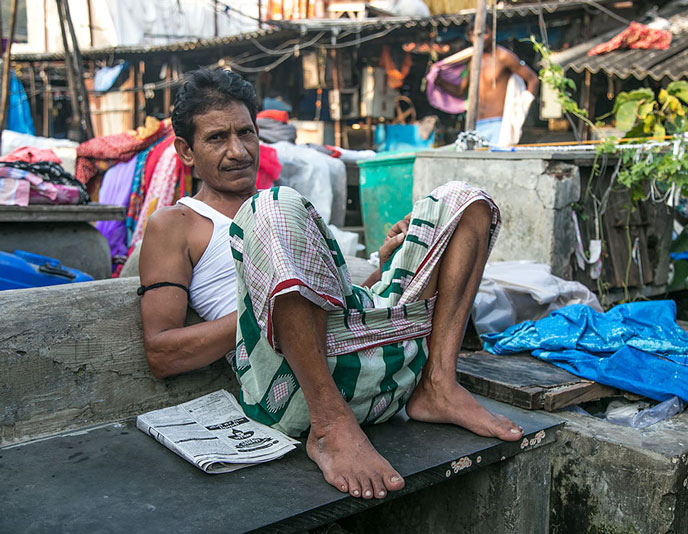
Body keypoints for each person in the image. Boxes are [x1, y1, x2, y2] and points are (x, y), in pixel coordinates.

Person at [139, 68, 522, 501]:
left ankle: (438, 383)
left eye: (246, 133)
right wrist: (270, 304)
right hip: (294, 390)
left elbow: (331, 302)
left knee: (464, 202)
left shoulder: (280, 211)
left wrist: (381, 270)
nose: (238, 150)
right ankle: (329, 428)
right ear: (186, 151)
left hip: (385, 369)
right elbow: (161, 353)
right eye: (216, 138)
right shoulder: (177, 224)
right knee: (272, 205)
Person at [435, 13, 539, 144]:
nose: (479, 38)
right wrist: (439, 82)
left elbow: (533, 79)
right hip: (476, 124)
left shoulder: (503, 57)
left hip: (499, 124)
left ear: (492, 32)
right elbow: (460, 90)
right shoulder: (473, 59)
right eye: (474, 35)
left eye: (483, 33)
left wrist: (522, 108)